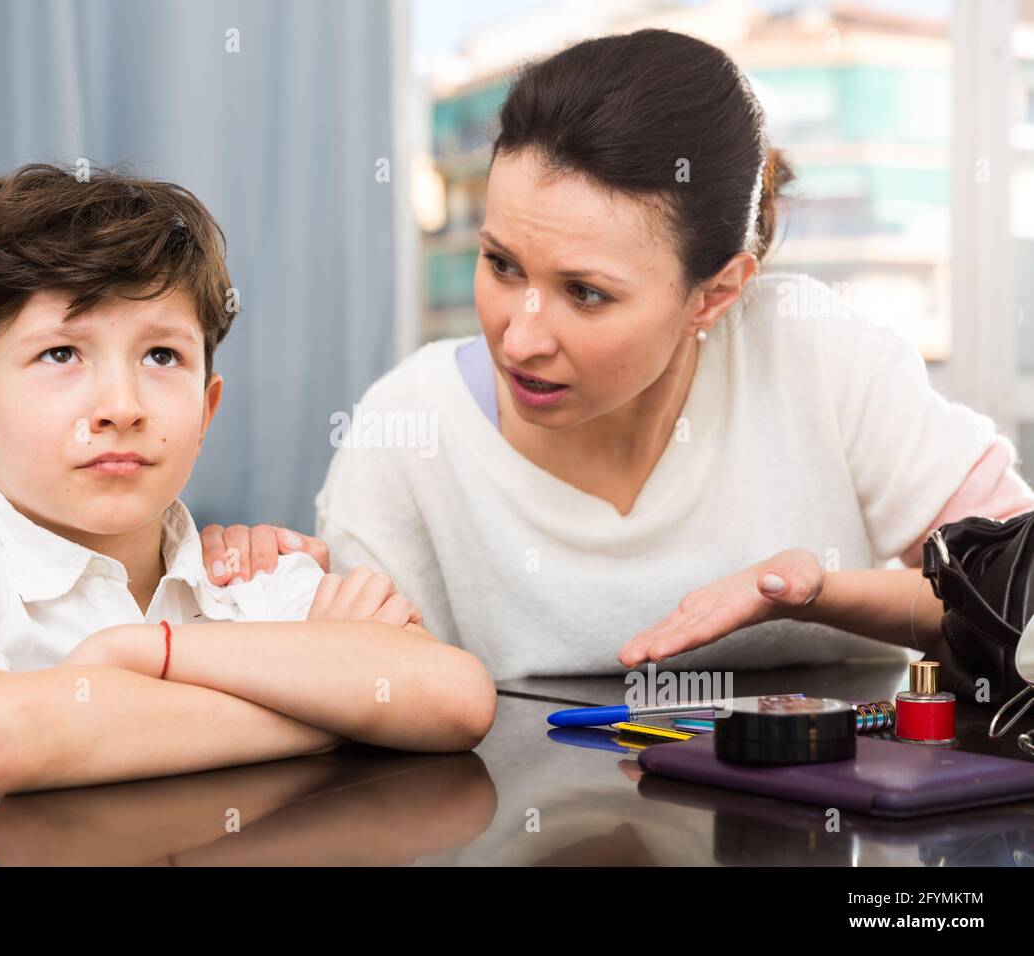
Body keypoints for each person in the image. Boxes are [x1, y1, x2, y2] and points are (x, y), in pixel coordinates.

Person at [205, 29, 1034, 682]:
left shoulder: (815, 351)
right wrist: (262, 596)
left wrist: (814, 593)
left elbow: (1017, 598)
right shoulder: (409, 427)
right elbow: (356, 690)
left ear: (713, 294)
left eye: (586, 293)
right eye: (502, 265)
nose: (520, 337)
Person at [0, 163, 496, 866]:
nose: (123, 405)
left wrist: (145, 651)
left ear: (205, 409)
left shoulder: (245, 572)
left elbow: (457, 699)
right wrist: (328, 708)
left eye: (163, 355)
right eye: (61, 353)